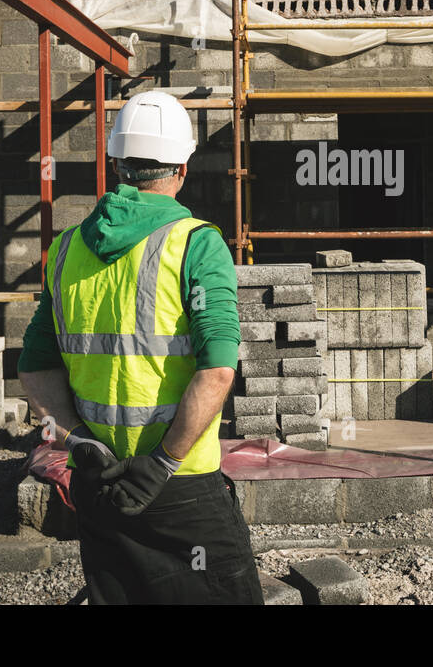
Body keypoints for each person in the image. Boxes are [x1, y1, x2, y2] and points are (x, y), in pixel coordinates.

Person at [17, 90, 262, 604]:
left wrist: (77, 439)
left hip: (97, 479)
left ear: (116, 163)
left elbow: (35, 365)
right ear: (182, 165)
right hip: (177, 483)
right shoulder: (196, 242)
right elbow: (217, 369)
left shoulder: (65, 249)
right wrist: (164, 463)